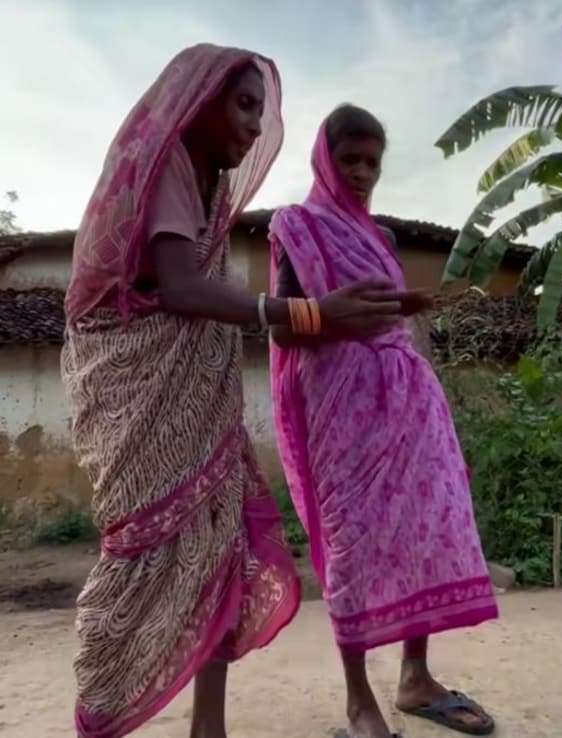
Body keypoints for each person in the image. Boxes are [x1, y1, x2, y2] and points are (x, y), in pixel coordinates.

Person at [62, 45, 410, 738]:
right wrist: (314, 313)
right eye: (244, 105)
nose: (256, 126)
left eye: (261, 109)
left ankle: (209, 730)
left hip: (201, 404)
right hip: (144, 400)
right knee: (142, 556)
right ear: (202, 103)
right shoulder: (166, 170)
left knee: (221, 553)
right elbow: (185, 290)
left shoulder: (209, 188)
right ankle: (98, 715)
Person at [268, 103, 500, 738]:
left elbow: (378, 313)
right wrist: (331, 316)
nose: (363, 172)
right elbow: (284, 319)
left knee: (421, 529)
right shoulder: (298, 227)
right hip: (340, 407)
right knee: (353, 546)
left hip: (407, 401)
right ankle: (357, 699)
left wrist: (405, 305)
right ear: (326, 159)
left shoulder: (383, 238)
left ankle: (415, 677)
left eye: (373, 161)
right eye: (351, 160)